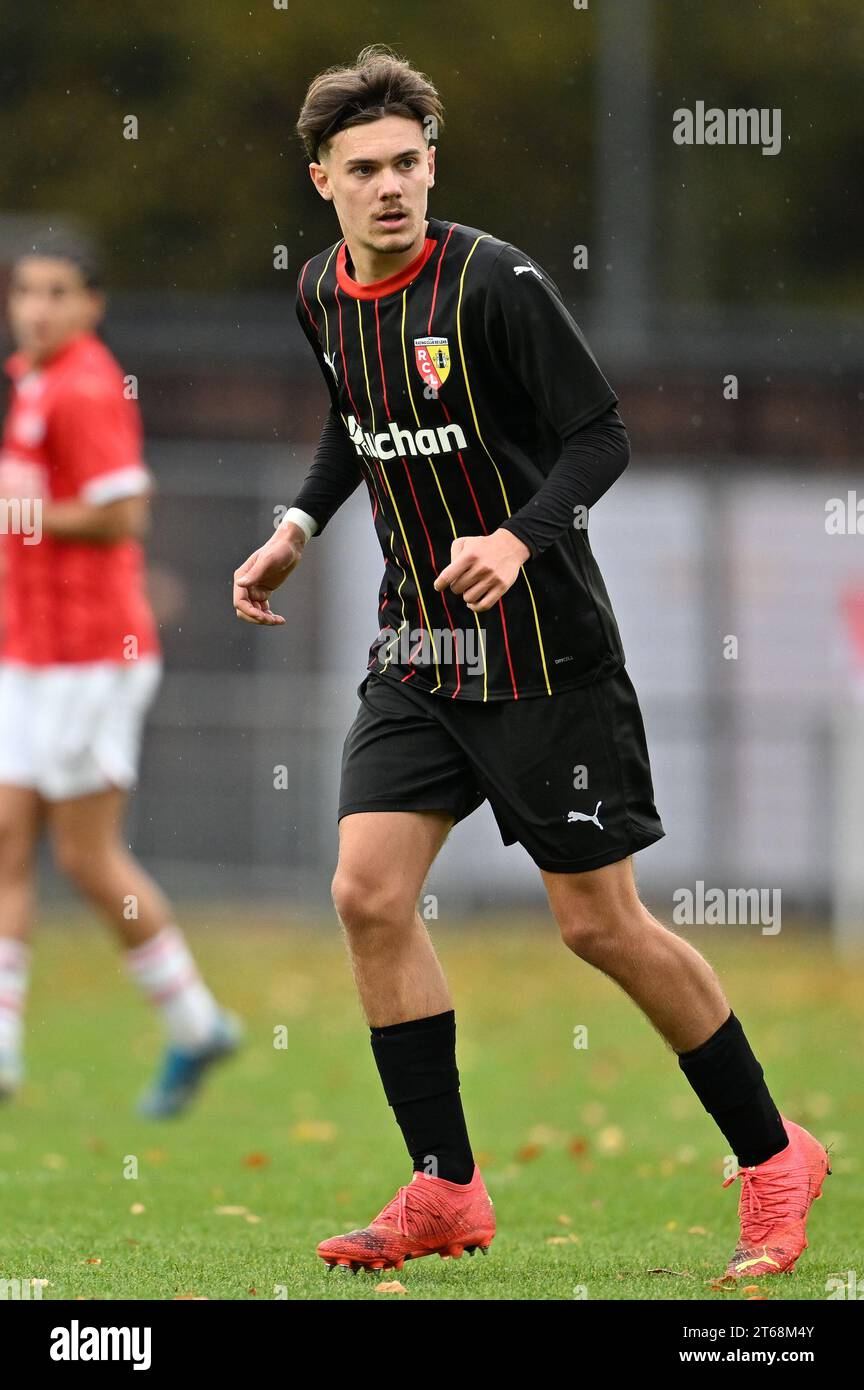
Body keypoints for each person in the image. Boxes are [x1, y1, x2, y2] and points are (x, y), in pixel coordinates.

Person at [233, 46, 829, 1278]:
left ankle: (775, 1156)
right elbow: (357, 420)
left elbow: (600, 433)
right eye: (365, 170)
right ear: (323, 182)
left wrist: (515, 535)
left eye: (408, 164)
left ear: (430, 166)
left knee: (598, 926)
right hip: (418, 645)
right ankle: (445, 1186)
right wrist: (295, 529)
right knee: (366, 893)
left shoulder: (492, 281)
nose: (391, 186)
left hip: (545, 653)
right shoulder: (319, 295)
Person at [0, 239, 241, 1117]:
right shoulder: (30, 378)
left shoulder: (88, 386)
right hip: (27, 652)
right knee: (7, 838)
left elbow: (123, 516)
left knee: (87, 857)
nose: (36, 308)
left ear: (91, 305)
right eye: (26, 291)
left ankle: (195, 1021)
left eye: (58, 293)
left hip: (92, 657)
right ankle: (6, 1049)